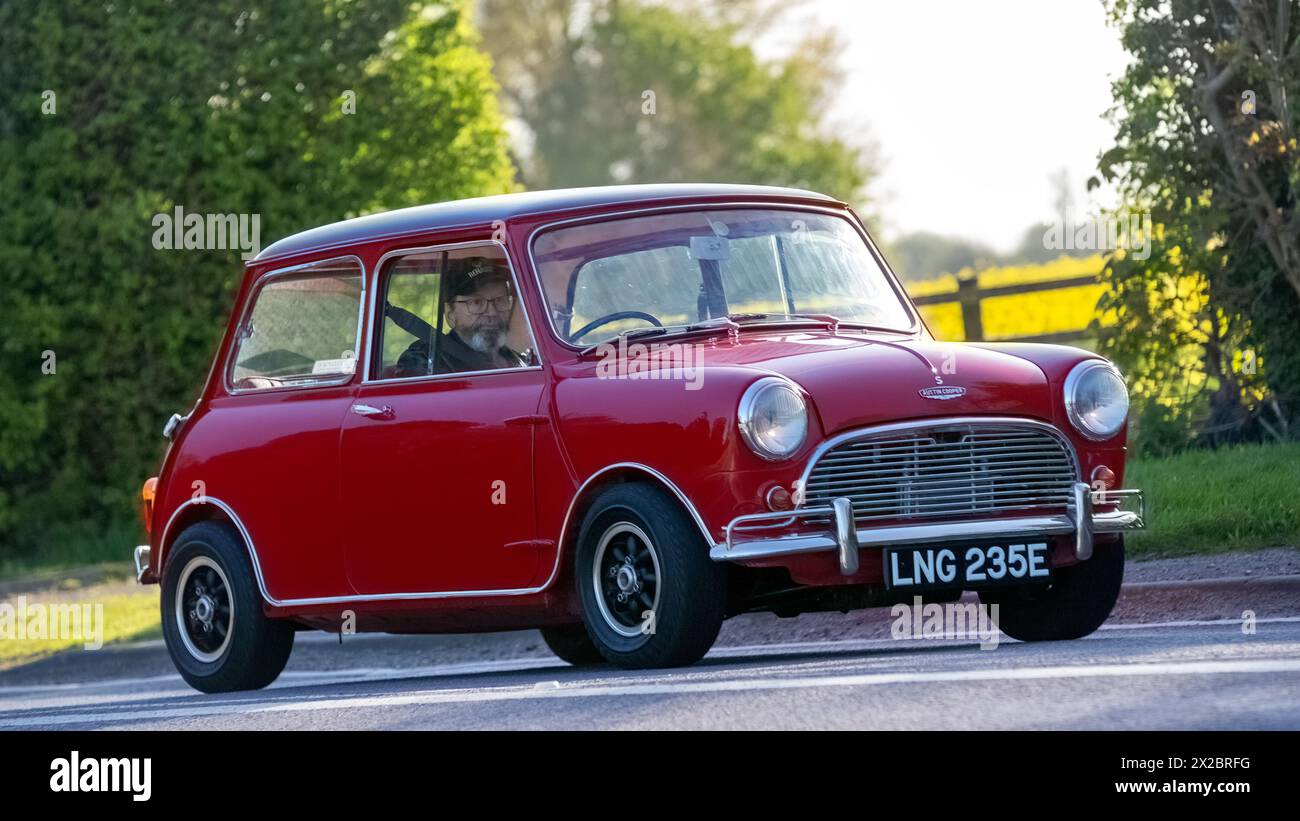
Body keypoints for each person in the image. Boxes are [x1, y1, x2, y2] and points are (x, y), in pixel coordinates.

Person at [393, 257, 528, 376]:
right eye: (476, 302)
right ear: (451, 314)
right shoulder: (425, 360)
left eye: (500, 300)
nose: (492, 312)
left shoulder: (520, 361)